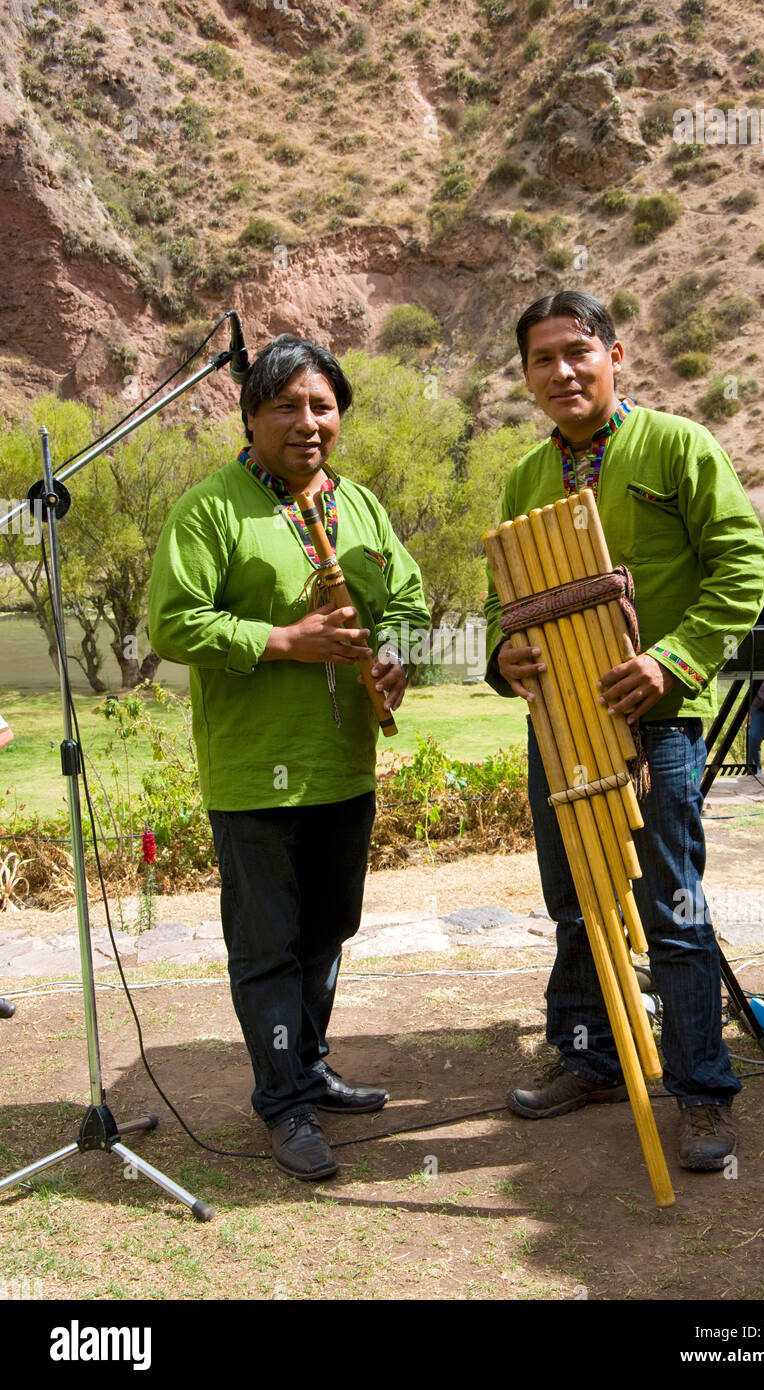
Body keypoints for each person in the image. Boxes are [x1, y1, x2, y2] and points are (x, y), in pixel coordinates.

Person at [484, 291, 764, 1171]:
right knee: (575, 899)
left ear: (616, 354)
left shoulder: (678, 444)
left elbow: (741, 563)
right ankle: (590, 1058)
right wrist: (508, 658)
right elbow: (509, 608)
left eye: (578, 351)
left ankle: (701, 1093)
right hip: (560, 722)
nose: (561, 371)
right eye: (542, 358)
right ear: (526, 376)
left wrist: (670, 662)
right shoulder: (527, 477)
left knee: (671, 909)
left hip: (658, 723)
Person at [149, 335, 429, 1181]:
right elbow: (172, 624)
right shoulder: (209, 509)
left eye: (321, 406)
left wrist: (397, 651)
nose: (307, 423)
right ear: (250, 416)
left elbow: (409, 599)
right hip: (255, 771)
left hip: (342, 765)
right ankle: (281, 1104)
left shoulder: (362, 506)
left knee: (325, 933)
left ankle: (303, 1067)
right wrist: (283, 640)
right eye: (286, 406)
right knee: (267, 945)